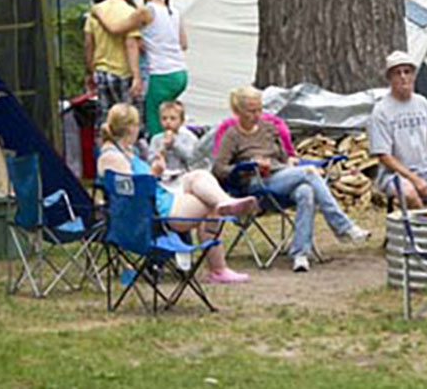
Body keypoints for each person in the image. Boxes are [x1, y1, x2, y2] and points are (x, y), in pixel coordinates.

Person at [213, 86, 371, 273]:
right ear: (237, 111)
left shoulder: (270, 128)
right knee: (309, 173)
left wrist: (290, 160)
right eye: (251, 111)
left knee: (306, 191)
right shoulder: (232, 135)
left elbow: (284, 158)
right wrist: (247, 166)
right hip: (256, 186)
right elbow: (219, 169)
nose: (257, 115)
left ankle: (300, 254)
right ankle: (343, 227)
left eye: (260, 109)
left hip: (280, 175)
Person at [98, 103, 256, 284]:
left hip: (163, 200)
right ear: (131, 128)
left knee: (198, 176)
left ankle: (226, 203)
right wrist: (154, 174)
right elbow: (131, 195)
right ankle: (218, 268)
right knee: (210, 204)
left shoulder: (126, 152)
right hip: (157, 215)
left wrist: (154, 173)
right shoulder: (112, 157)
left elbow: (137, 185)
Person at [92, 0, 189, 136]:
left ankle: (160, 157)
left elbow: (115, 29)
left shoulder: (145, 11)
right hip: (180, 73)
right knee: (171, 121)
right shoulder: (174, 11)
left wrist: (98, 12)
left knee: (156, 127)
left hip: (160, 75)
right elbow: (183, 44)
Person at [368, 51, 427, 210]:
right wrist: (414, 179)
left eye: (407, 71)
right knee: (408, 193)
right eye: (398, 73)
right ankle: (421, 225)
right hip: (394, 174)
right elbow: (384, 156)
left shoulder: (422, 103)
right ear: (390, 78)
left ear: (413, 75)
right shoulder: (381, 111)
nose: (403, 77)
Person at [84, 0, 143, 137]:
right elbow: (131, 45)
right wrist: (136, 76)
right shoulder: (130, 12)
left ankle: (104, 154)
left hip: (101, 72)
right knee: (127, 119)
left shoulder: (96, 12)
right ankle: (127, 156)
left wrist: (89, 71)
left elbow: (88, 44)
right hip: (122, 73)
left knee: (105, 121)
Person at [147, 100, 202, 196]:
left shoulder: (187, 138)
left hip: (181, 175)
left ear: (181, 121)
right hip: (163, 177)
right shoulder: (156, 139)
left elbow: (191, 158)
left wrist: (175, 145)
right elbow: (150, 159)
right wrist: (161, 151)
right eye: (164, 119)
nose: (168, 122)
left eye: (172, 119)